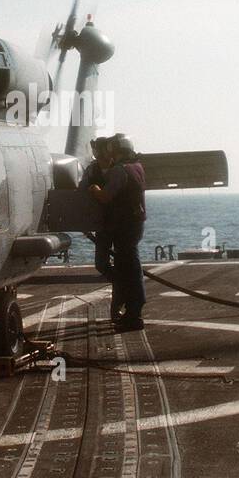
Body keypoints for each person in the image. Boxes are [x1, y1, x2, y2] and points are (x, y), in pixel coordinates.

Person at [90, 133, 146, 331]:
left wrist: (94, 189)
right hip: (135, 225)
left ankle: (133, 316)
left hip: (123, 227)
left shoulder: (119, 171)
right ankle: (133, 311)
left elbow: (105, 197)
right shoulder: (137, 167)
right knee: (131, 269)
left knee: (128, 271)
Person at [80, 138, 119, 318]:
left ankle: (118, 302)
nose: (95, 153)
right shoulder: (91, 170)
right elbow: (81, 193)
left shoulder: (119, 169)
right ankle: (122, 285)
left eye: (97, 149)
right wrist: (84, 221)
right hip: (101, 223)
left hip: (120, 223)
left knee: (122, 263)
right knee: (101, 264)